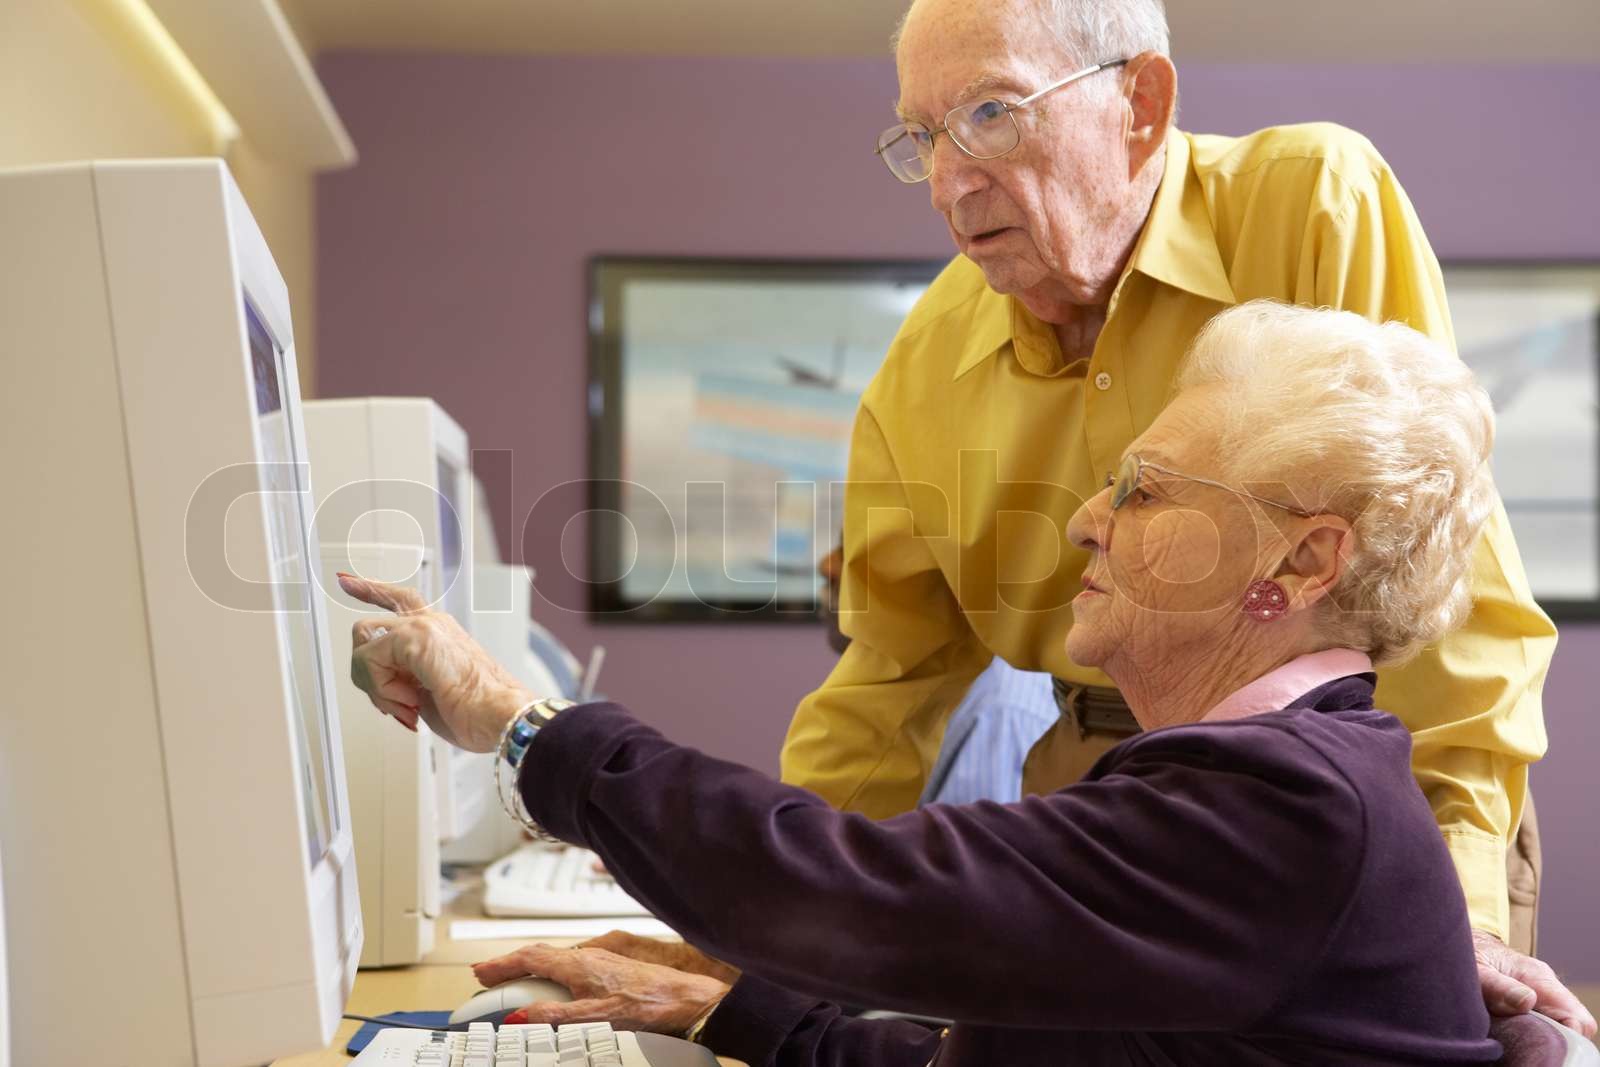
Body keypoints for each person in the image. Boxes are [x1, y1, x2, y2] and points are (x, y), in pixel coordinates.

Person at [341, 304, 1595, 1064]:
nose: (1088, 519)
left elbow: (841, 886)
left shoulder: (1285, 811)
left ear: (1299, 559)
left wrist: (516, 725)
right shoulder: (1288, 777)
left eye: (1146, 489)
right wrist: (734, 1012)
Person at [781, 0, 1570, 1014]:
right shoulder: (922, 362)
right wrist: (759, 914)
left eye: (990, 112)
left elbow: (1432, 570)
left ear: (1139, 104)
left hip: (1361, 790)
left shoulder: (1309, 201)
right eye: (922, 135)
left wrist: (1450, 881)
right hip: (1109, 810)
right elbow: (886, 682)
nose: (947, 180)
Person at [820, 540, 1057, 805]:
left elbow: (966, 846)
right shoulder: (905, 685)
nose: (826, 566)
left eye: (853, 552)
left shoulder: (996, 712)